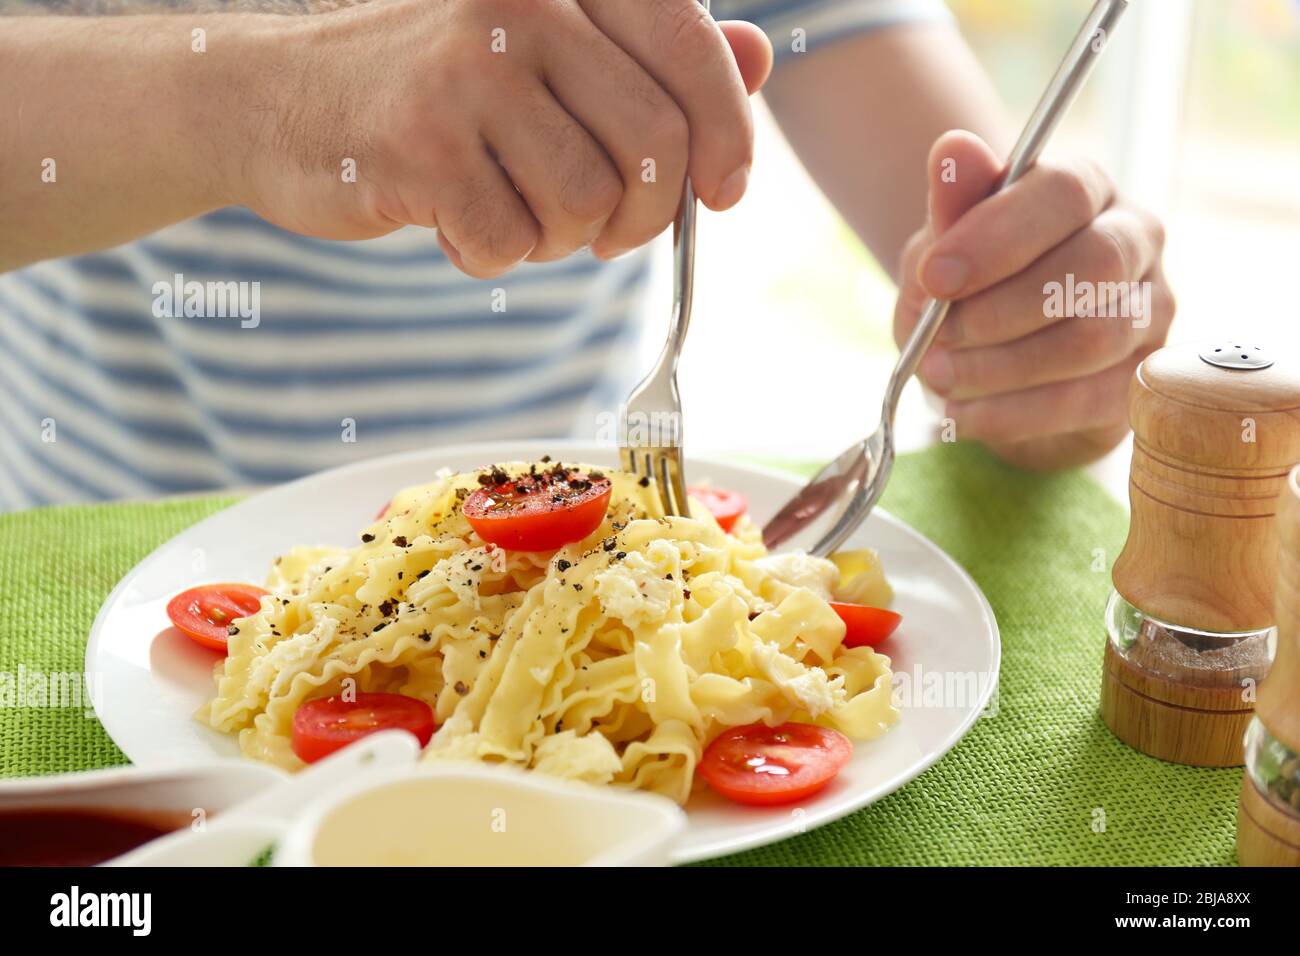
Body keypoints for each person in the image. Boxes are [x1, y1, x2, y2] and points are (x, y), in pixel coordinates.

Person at [0, 0, 1174, 510]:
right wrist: (268, 100)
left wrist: (1052, 330)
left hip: (572, 523)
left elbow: (986, 253)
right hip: (93, 559)